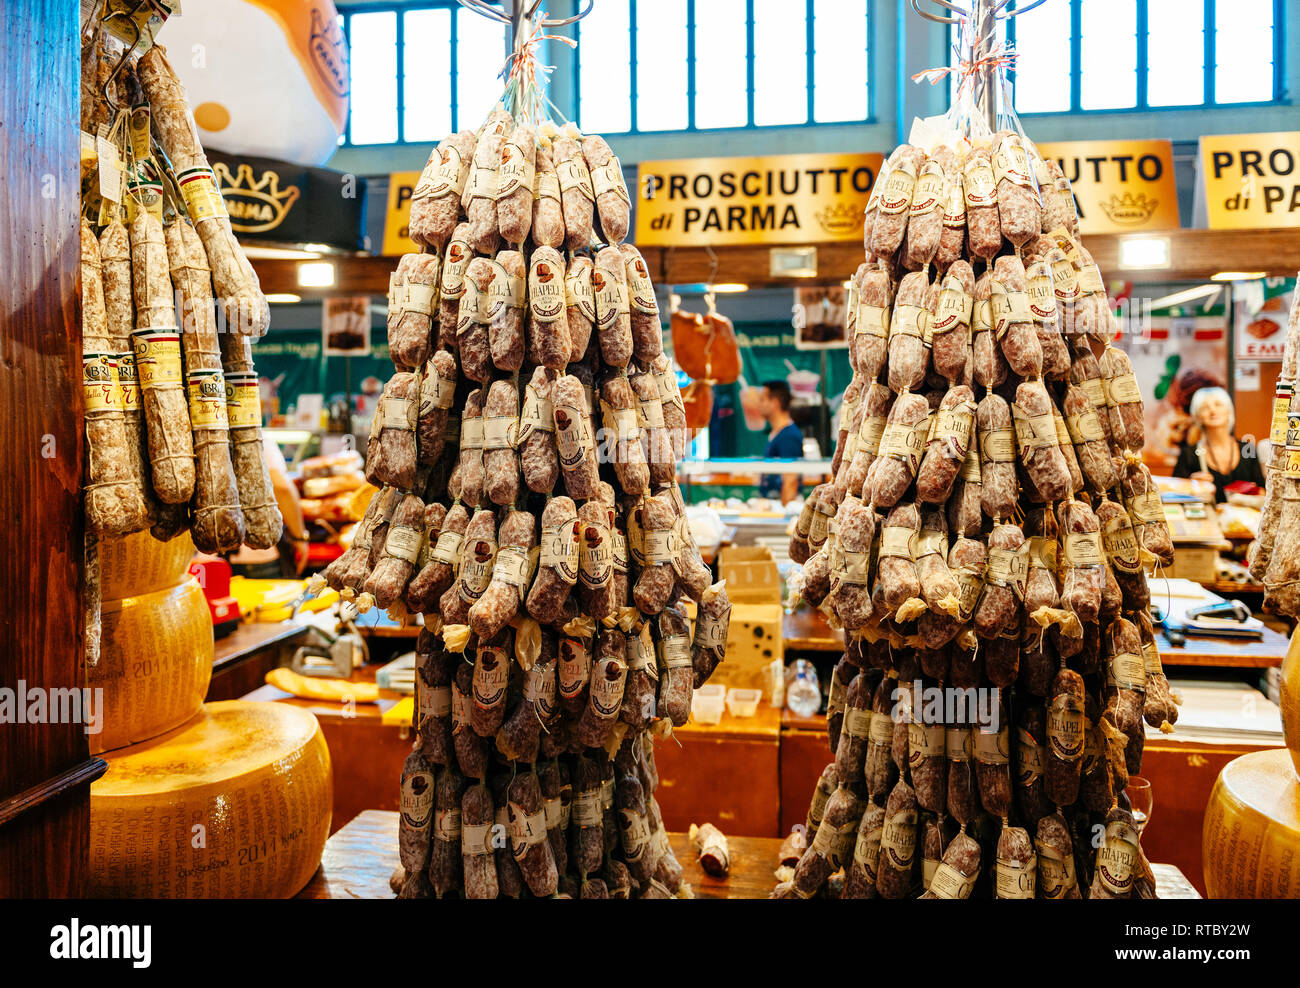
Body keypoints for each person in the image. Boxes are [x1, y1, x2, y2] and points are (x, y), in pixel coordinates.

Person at [227, 434, 311, 577]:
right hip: (257, 554)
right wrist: (300, 537)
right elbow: (282, 488)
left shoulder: (204, 434)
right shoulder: (255, 437)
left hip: (209, 555)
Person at [1172, 386, 1265, 503]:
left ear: (1228, 411)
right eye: (1205, 407)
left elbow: (1263, 491)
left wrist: (1254, 491)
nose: (1212, 411)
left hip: (1244, 519)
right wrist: (1192, 485)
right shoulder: (1189, 454)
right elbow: (1174, 494)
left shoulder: (1248, 449)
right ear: (1197, 416)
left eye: (1218, 405)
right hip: (1207, 519)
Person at [756, 379, 805, 504]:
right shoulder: (777, 433)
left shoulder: (789, 436)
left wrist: (783, 514)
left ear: (775, 403)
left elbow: (790, 480)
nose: (759, 404)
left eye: (762, 399)